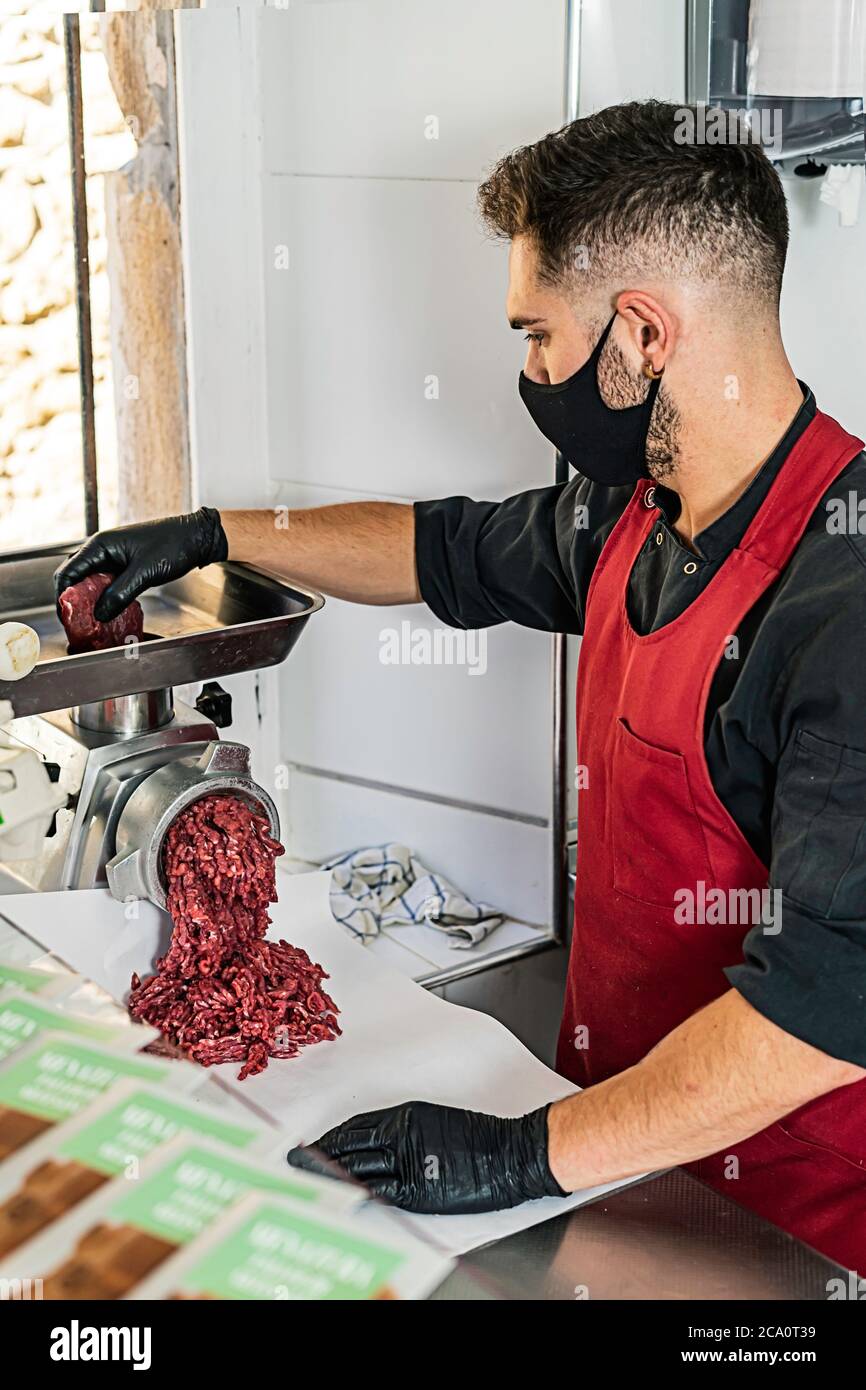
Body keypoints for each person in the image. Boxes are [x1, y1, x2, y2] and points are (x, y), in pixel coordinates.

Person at [56, 101, 866, 1269]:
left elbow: (824, 1014)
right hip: (606, 1147)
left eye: (538, 335)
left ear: (639, 332)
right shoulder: (633, 513)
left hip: (783, 1229)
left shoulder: (840, 594)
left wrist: (515, 1155)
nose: (531, 373)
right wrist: (212, 532)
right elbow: (436, 549)